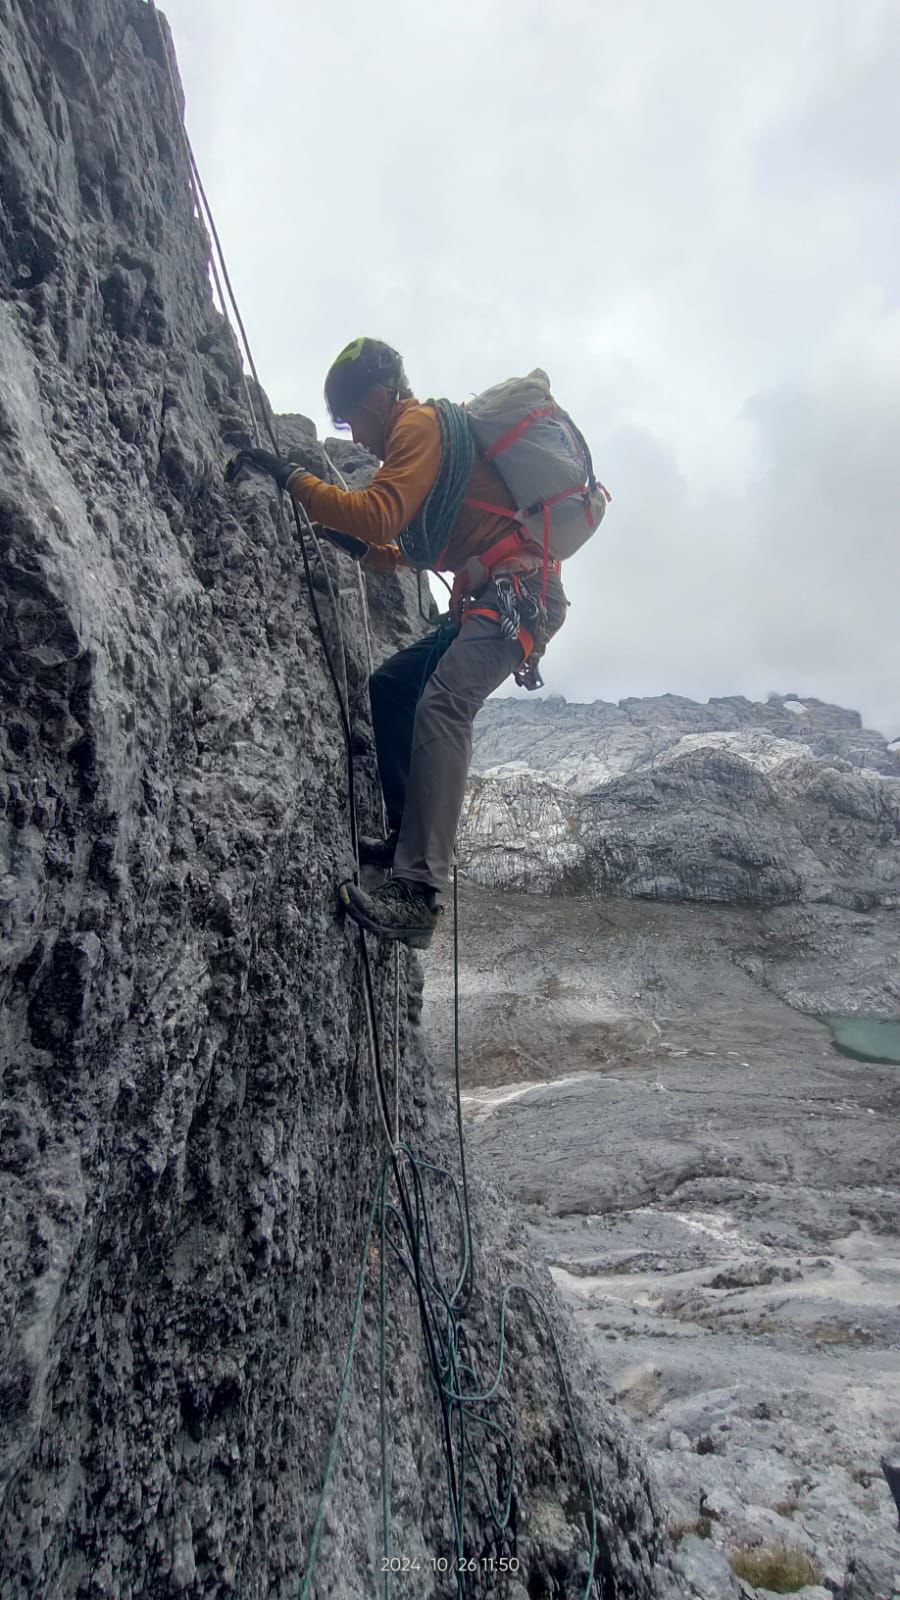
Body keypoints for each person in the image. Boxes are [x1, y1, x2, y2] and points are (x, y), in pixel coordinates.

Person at [228, 338, 567, 949]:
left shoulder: (418, 425)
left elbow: (381, 515)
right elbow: (395, 550)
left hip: (518, 594)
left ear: (380, 398)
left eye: (350, 415)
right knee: (391, 688)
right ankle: (407, 839)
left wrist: (294, 479)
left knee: (443, 702)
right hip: (494, 598)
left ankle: (417, 892)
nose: (352, 435)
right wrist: (336, 529)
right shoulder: (418, 444)